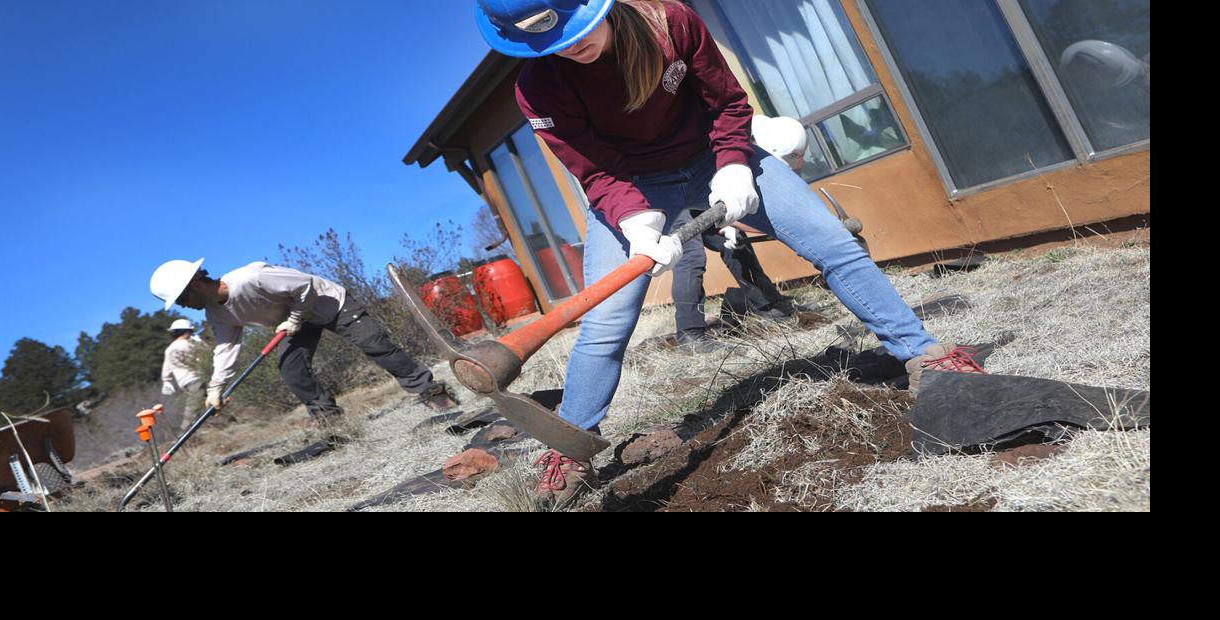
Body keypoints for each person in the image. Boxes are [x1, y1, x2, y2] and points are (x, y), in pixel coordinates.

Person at [474, 0, 986, 505]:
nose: (570, 46)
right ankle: (572, 446)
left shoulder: (669, 22)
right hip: (631, 186)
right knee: (606, 322)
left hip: (712, 157)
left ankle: (925, 356)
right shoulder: (538, 87)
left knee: (834, 246)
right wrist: (634, 218)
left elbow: (726, 104)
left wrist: (736, 164)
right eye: (551, 42)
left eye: (573, 29)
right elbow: (593, 169)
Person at [148, 258, 459, 420]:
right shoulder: (217, 314)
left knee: (375, 344)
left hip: (327, 304)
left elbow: (305, 286)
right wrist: (215, 389)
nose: (181, 306)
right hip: (294, 323)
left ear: (195, 285)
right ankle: (329, 419)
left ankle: (431, 392)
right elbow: (226, 348)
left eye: (180, 298)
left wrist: (295, 319)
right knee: (291, 369)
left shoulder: (251, 278)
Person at [669, 115, 817, 353]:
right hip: (669, 195)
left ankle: (767, 305)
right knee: (691, 256)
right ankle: (690, 334)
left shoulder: (745, 139)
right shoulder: (718, 135)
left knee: (736, 245)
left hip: (700, 193)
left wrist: (730, 223)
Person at [160, 319, 207, 431]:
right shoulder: (190, 344)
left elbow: (167, 367)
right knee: (194, 405)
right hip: (196, 378)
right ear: (186, 331)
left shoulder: (170, 348)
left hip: (184, 382)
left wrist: (166, 380)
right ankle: (185, 431)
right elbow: (207, 353)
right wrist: (201, 342)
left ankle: (230, 421)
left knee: (208, 401)